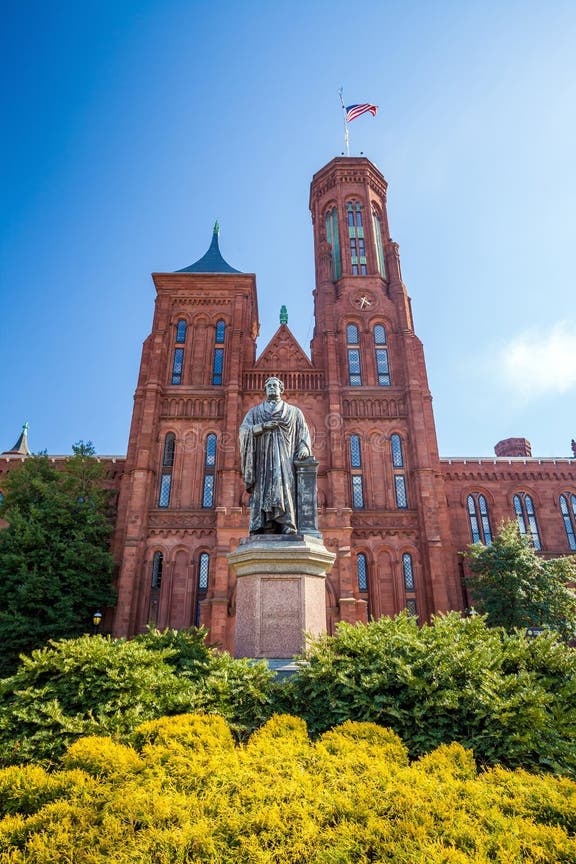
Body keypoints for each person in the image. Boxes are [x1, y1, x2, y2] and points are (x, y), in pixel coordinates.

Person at [240, 376, 312, 534]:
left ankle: (287, 523)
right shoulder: (255, 412)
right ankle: (266, 524)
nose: (272, 388)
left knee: (284, 487)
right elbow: (244, 430)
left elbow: (303, 433)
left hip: (285, 460)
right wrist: (263, 427)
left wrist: (304, 448)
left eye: (275, 385)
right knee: (264, 489)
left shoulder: (294, 412)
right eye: (269, 386)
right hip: (263, 461)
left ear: (281, 389)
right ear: (265, 390)